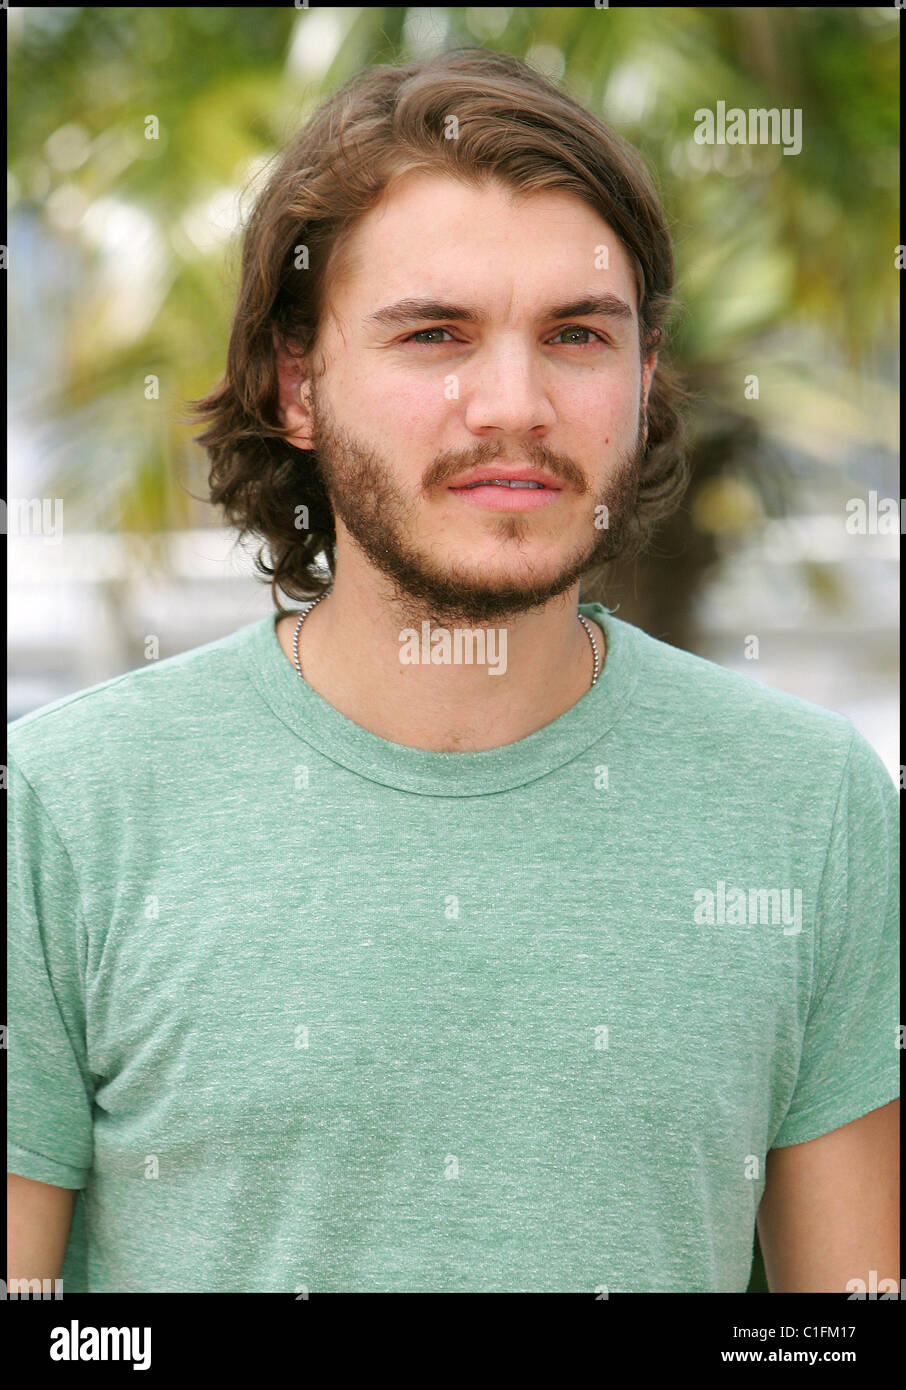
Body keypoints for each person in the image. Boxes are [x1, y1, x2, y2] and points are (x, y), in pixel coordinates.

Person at [7, 47, 898, 1295]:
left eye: (578, 335)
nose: (513, 405)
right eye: (435, 334)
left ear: (642, 382)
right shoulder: (63, 807)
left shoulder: (812, 807)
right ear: (297, 383)